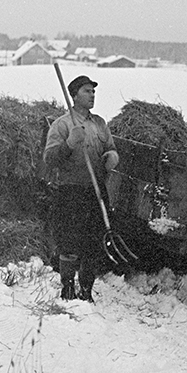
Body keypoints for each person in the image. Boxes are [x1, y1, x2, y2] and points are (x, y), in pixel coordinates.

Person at [43, 74, 120, 302]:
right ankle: (67, 288)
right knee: (69, 242)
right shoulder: (63, 124)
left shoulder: (99, 124)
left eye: (93, 91)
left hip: (95, 191)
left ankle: (86, 290)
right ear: (74, 95)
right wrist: (69, 144)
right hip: (70, 191)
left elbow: (110, 147)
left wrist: (111, 157)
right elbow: (50, 158)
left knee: (93, 243)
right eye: (87, 91)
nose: (92, 95)